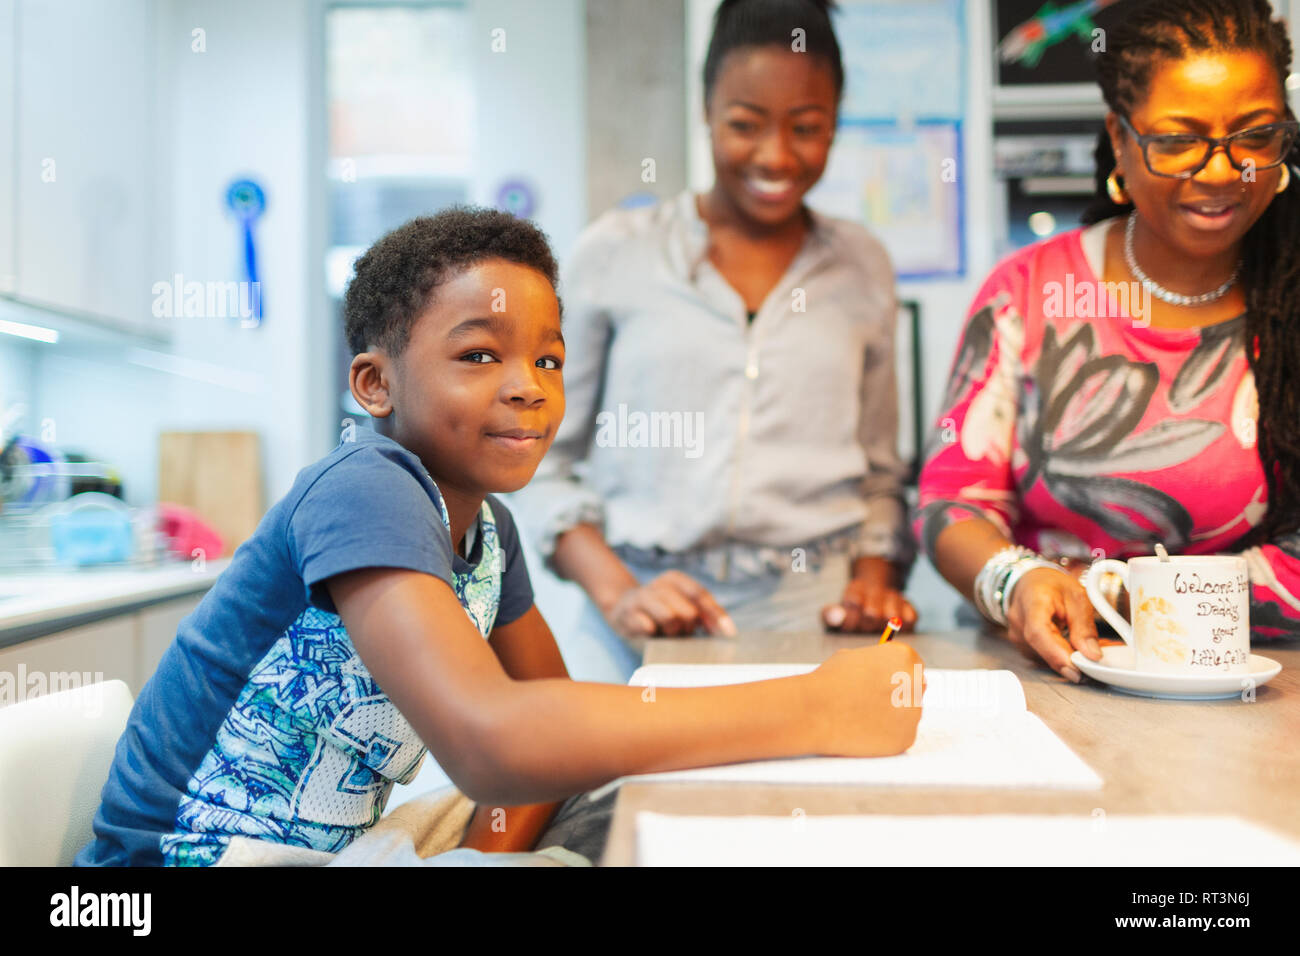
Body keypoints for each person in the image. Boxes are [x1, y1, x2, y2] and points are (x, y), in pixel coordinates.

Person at [74, 208, 923, 867]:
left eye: (548, 361)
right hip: (190, 862)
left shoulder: (490, 529)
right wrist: (817, 707)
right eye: (480, 356)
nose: (528, 389)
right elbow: (494, 741)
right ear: (375, 384)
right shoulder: (363, 488)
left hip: (337, 850)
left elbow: (559, 740)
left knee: (625, 803)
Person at [515, 0, 916, 683]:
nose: (776, 156)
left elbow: (880, 475)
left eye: (808, 128)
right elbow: (541, 456)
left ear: (836, 125)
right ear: (705, 112)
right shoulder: (617, 254)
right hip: (635, 614)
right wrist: (620, 594)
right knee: (589, 788)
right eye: (744, 124)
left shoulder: (861, 266)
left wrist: (872, 581)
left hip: (810, 619)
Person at [916, 0, 1300, 682]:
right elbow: (953, 502)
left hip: (1259, 705)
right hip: (1043, 681)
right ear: (1119, 139)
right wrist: (1018, 581)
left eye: (1255, 135)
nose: (1219, 171)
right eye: (1177, 139)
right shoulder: (1027, 290)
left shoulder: (1289, 298)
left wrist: (1107, 591)